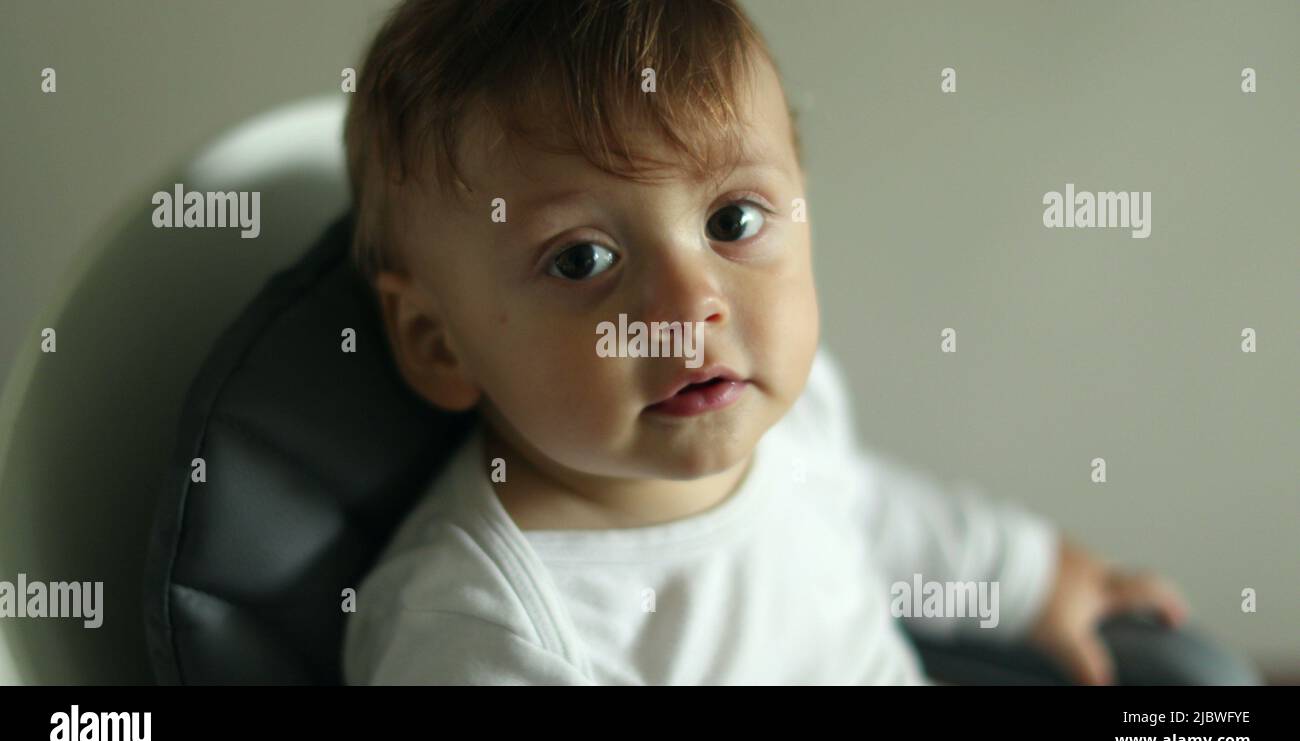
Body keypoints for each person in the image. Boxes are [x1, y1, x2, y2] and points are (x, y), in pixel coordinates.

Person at [340, 0, 1187, 685]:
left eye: (731, 220)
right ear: (437, 342)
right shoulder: (482, 629)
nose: (693, 305)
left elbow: (875, 514)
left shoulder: (782, 414)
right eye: (582, 259)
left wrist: (1033, 576)